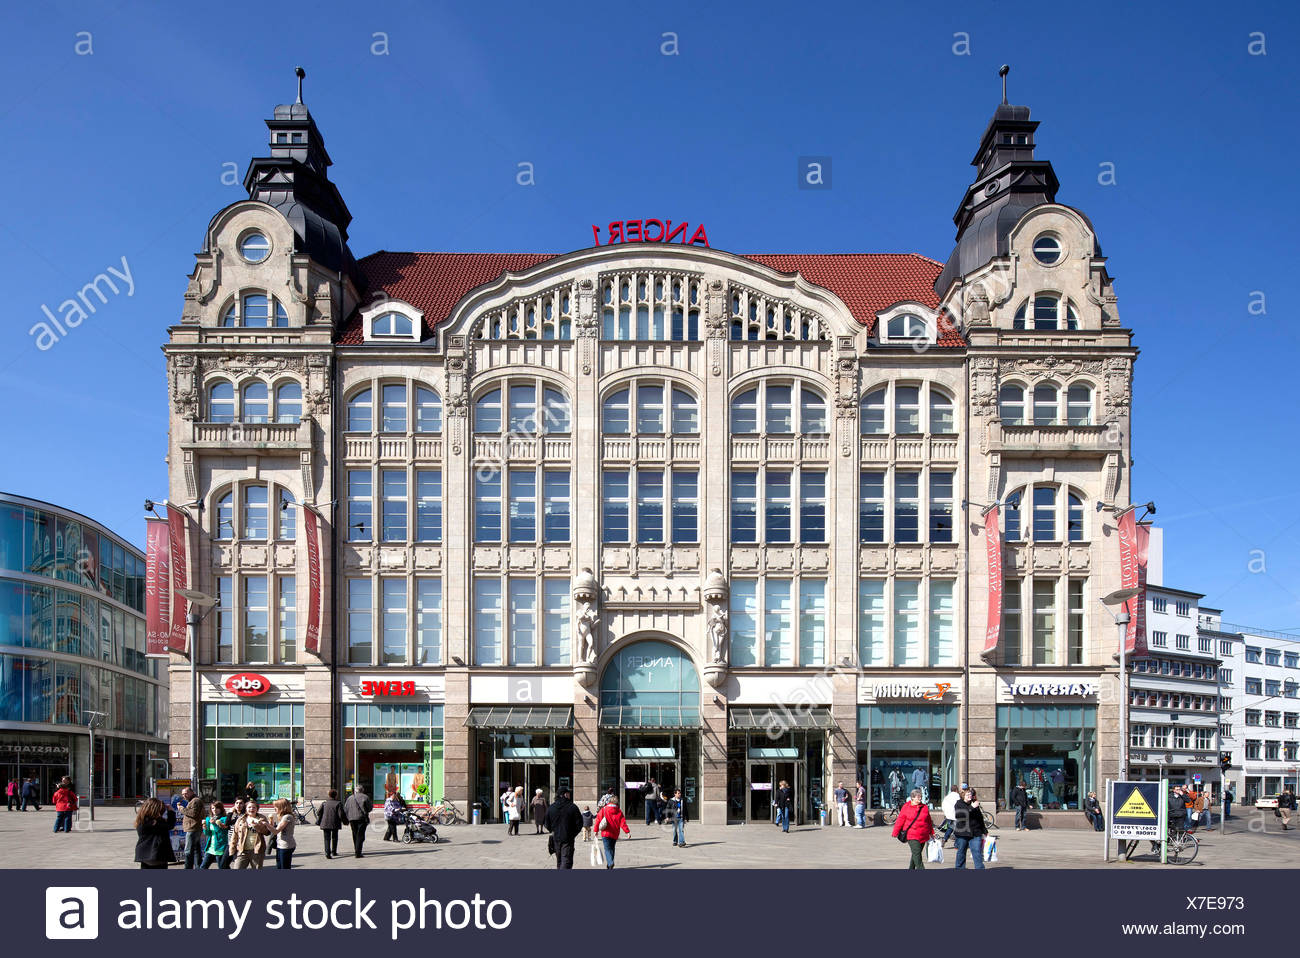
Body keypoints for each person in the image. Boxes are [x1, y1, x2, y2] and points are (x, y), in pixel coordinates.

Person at [891, 788, 935, 870]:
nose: (920, 798)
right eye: (918, 797)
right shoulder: (906, 807)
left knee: (916, 854)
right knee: (917, 855)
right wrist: (895, 832)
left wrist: (931, 832)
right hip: (912, 835)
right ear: (912, 798)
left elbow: (928, 821)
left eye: (921, 797)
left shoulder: (924, 807)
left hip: (923, 835)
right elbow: (900, 819)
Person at [543, 787, 584, 869]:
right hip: (568, 838)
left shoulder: (551, 807)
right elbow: (579, 823)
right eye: (569, 793)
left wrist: (553, 830)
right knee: (566, 860)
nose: (570, 795)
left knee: (559, 860)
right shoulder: (572, 807)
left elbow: (546, 823)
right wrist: (573, 834)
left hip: (556, 837)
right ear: (565, 794)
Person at [134, 798, 177, 869]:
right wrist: (171, 811)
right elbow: (170, 825)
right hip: (157, 854)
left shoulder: (142, 820)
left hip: (144, 854)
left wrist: (147, 804)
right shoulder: (155, 822)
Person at [952, 787, 988, 869]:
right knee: (961, 852)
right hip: (962, 832)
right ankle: (960, 868)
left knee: (977, 852)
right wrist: (971, 807)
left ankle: (980, 868)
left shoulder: (974, 803)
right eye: (967, 794)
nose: (969, 796)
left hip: (975, 832)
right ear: (963, 795)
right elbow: (960, 815)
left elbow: (980, 818)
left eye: (970, 794)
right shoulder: (959, 804)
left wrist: (984, 830)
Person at [230, 800, 272, 869]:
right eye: (249, 807)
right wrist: (232, 849)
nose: (251, 809)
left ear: (257, 809)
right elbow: (235, 835)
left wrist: (256, 826)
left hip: (257, 851)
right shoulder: (241, 819)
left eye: (254, 807)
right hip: (242, 850)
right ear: (246, 808)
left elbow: (267, 832)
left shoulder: (262, 819)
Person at [593, 796, 631, 869]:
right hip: (615, 833)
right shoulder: (619, 811)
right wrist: (627, 832)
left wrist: (596, 831)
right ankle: (610, 864)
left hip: (605, 833)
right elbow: (623, 823)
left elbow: (597, 820)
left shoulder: (604, 809)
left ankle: (610, 862)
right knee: (612, 848)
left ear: (609, 801)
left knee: (607, 849)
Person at [179, 787, 206, 869]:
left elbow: (193, 813)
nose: (184, 795)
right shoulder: (192, 800)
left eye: (186, 793)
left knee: (188, 850)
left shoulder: (195, 801)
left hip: (193, 828)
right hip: (193, 828)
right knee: (195, 849)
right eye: (183, 794)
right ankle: (198, 867)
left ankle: (188, 867)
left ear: (191, 792)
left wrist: (181, 809)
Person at [344, 785, 373, 858]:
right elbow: (370, 808)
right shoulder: (365, 797)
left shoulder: (350, 798)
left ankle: (356, 849)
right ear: (362, 790)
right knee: (360, 835)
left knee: (355, 834)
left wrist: (348, 817)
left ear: (356, 791)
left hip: (352, 819)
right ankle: (358, 852)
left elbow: (346, 808)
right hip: (361, 818)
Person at [318, 788, 345, 859]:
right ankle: (334, 851)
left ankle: (327, 853)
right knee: (334, 837)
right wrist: (345, 821)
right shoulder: (338, 803)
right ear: (336, 795)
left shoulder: (324, 803)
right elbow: (341, 814)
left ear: (329, 795)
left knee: (327, 838)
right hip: (335, 823)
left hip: (325, 823)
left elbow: (318, 812)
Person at [201, 802, 229, 868]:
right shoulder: (209, 819)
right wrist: (204, 827)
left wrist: (214, 824)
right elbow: (208, 834)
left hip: (220, 847)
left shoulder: (224, 819)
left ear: (221, 809)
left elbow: (222, 833)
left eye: (217, 808)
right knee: (203, 867)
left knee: (222, 867)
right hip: (211, 847)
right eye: (213, 808)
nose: (215, 810)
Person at [272, 798, 297, 868]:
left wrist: (266, 824)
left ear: (282, 807)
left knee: (284, 867)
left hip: (286, 846)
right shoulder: (283, 817)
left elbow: (276, 831)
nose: (274, 808)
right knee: (279, 866)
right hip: (280, 845)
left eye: (276, 807)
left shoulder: (287, 817)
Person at [220, 799, 245, 868]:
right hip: (231, 843)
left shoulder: (244, 815)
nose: (238, 805)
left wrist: (230, 812)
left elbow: (228, 823)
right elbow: (228, 825)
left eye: (241, 803)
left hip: (239, 844)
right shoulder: (235, 815)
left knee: (238, 866)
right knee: (223, 865)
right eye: (236, 803)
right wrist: (230, 813)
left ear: (244, 805)